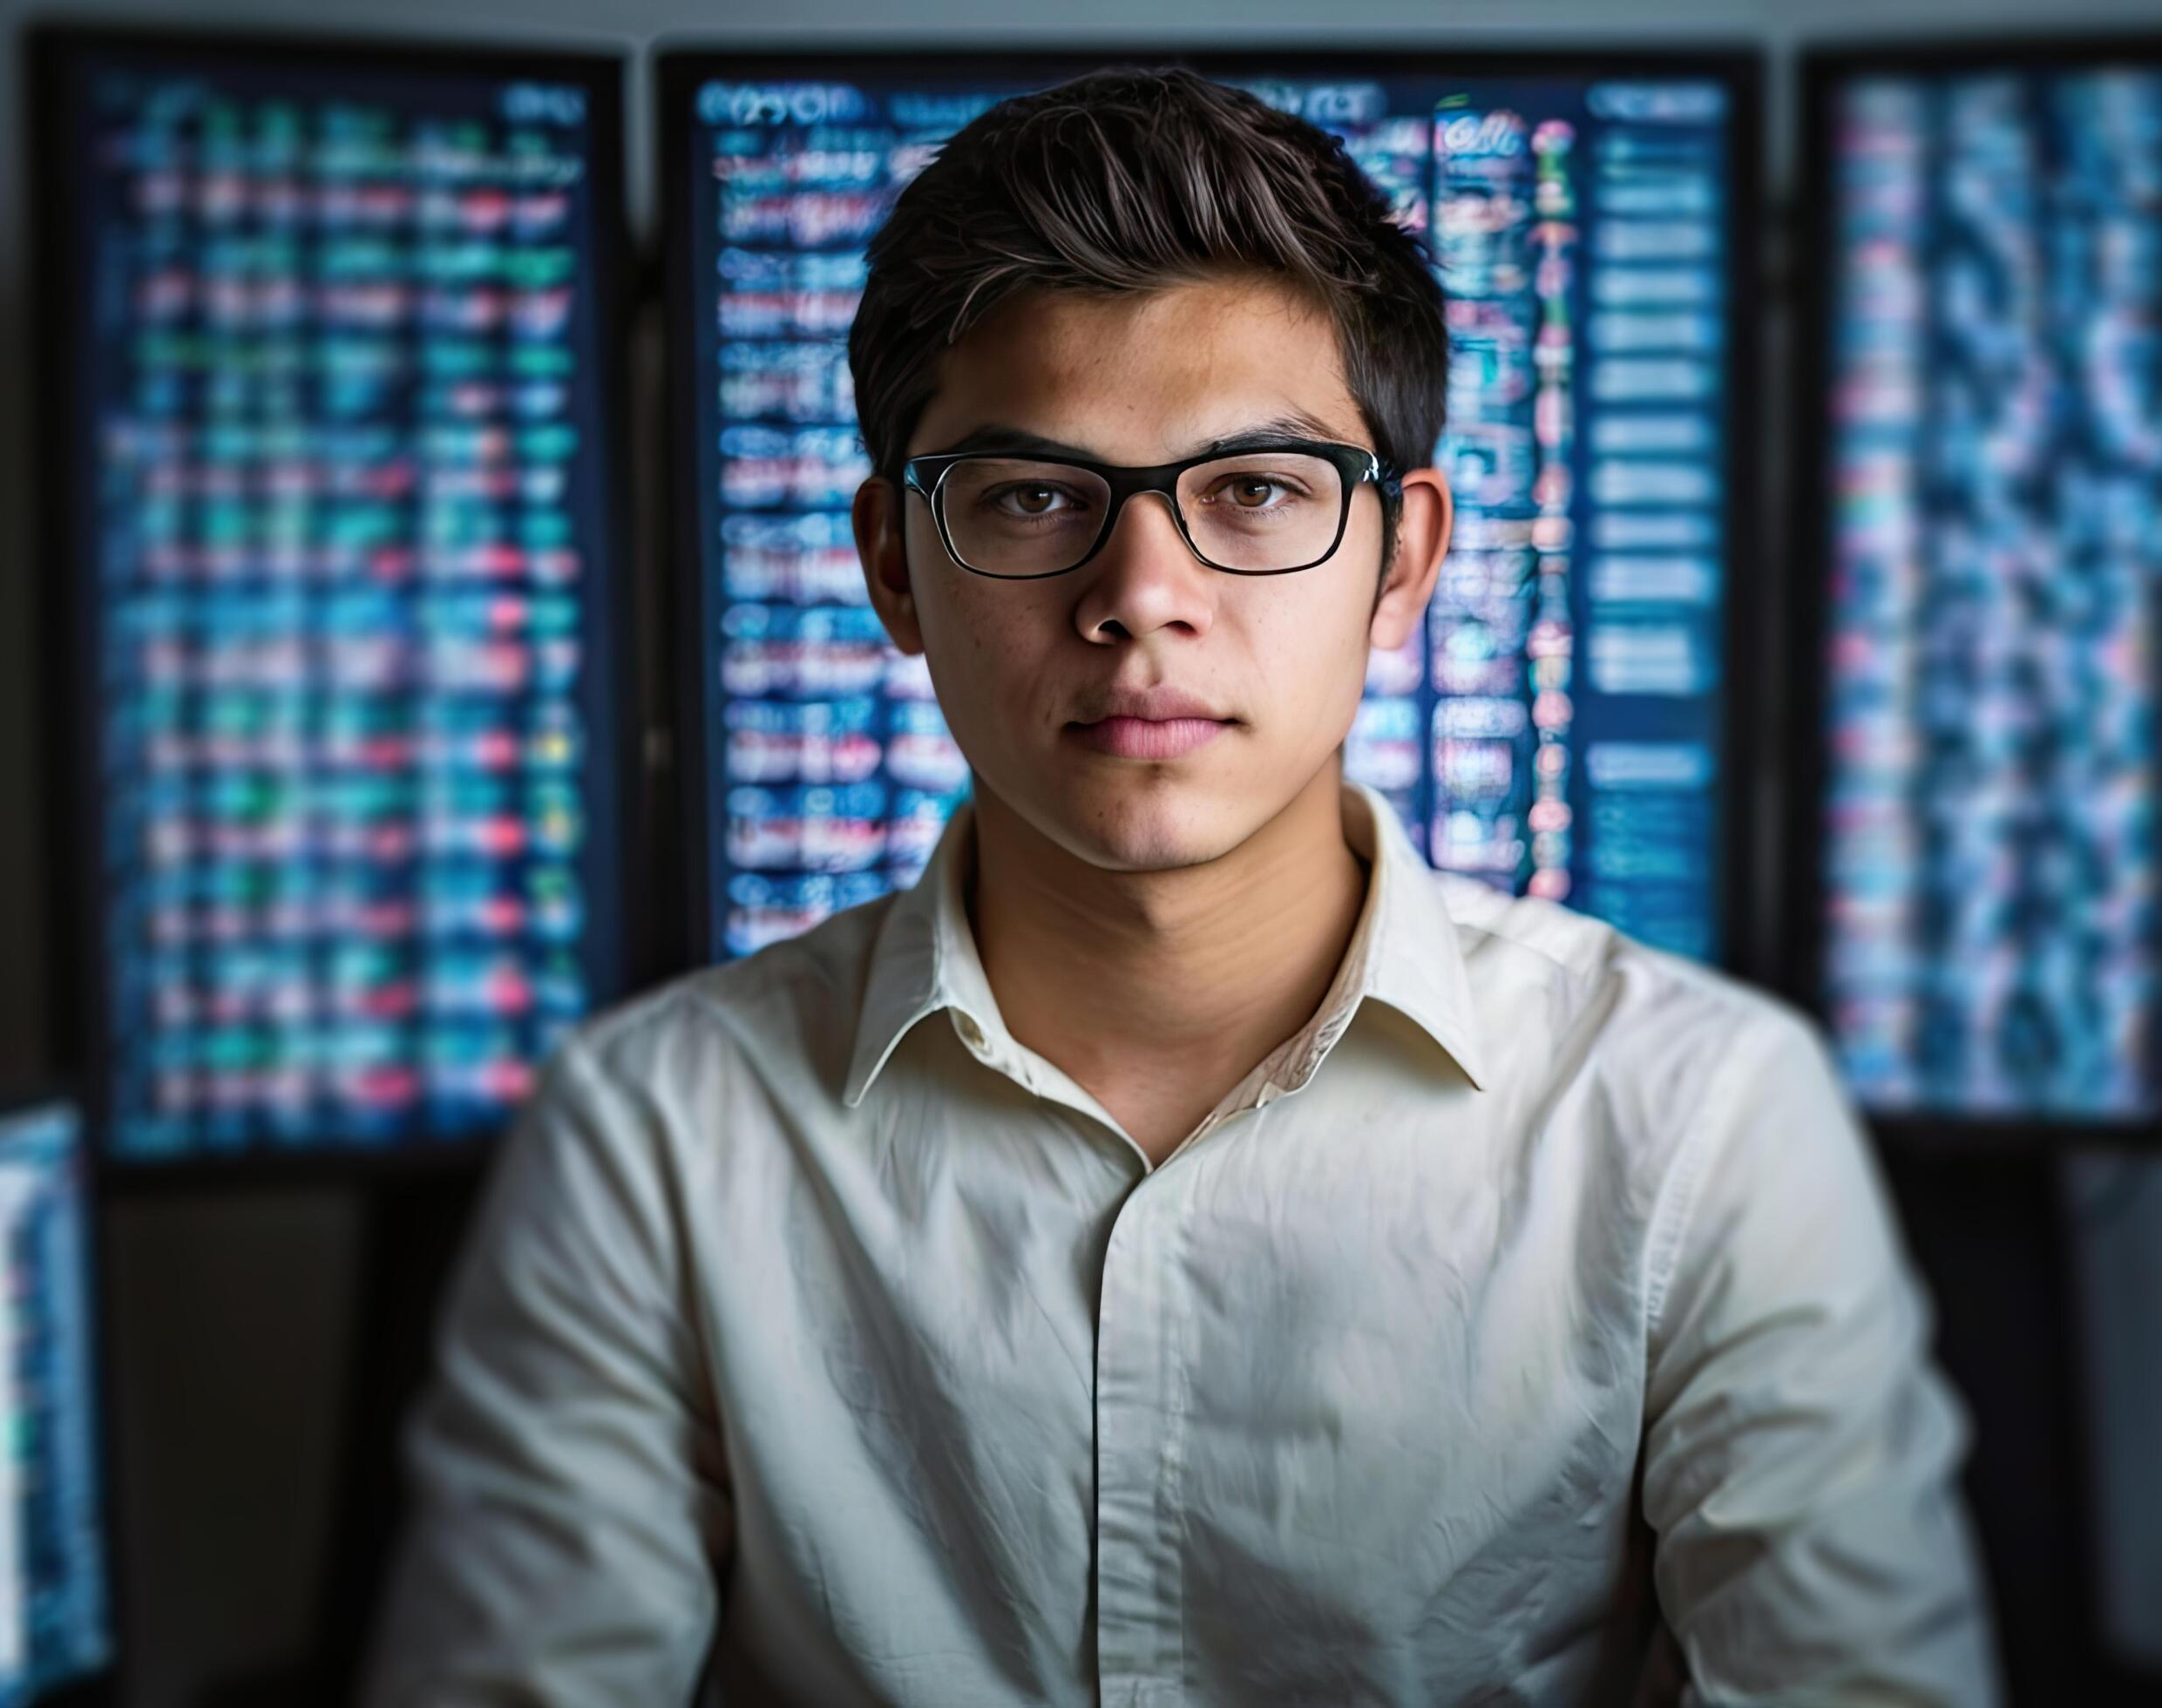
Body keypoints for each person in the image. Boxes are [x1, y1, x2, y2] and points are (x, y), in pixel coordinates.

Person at [363, 66, 1995, 1706]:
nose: (1142, 598)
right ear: (889, 565)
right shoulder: (655, 1137)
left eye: (1258, 493)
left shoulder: (1699, 1119)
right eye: (1029, 498)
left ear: (1405, 563)